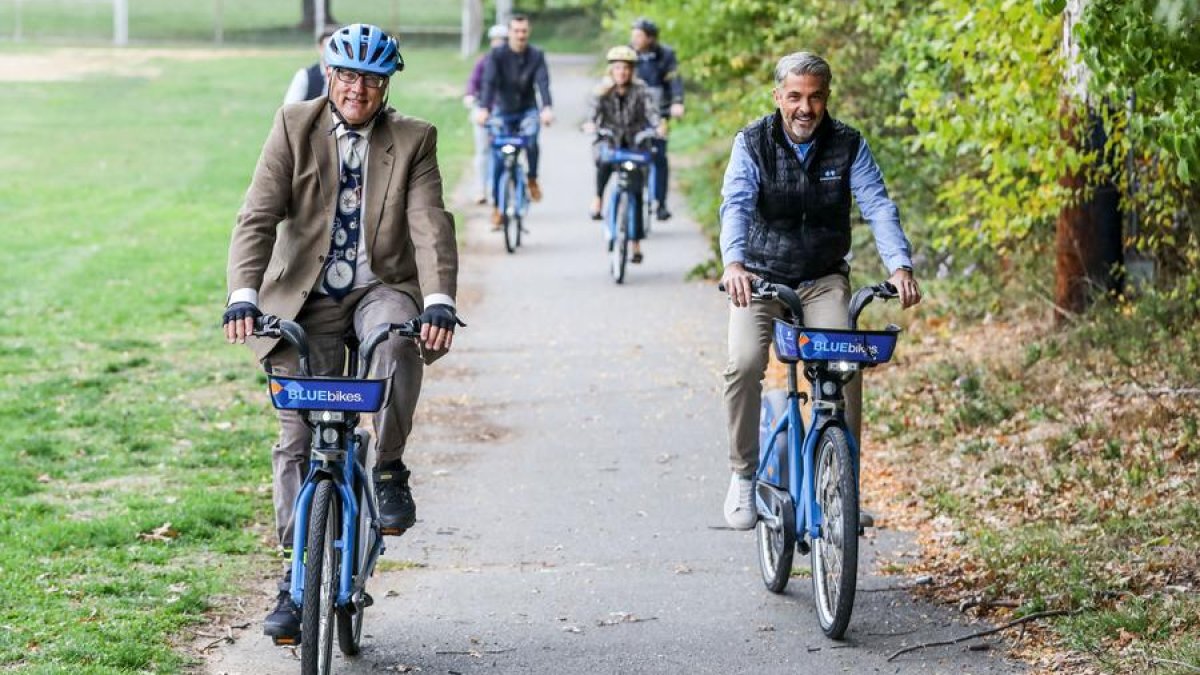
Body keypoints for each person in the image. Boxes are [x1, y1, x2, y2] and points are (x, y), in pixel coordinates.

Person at [222, 23, 461, 642]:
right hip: (305, 300)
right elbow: (257, 217)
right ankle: (294, 573)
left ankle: (387, 469)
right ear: (330, 76)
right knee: (297, 437)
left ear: (387, 84)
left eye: (373, 78)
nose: (359, 89)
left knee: (396, 337)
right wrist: (243, 296)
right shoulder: (292, 125)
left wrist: (436, 301)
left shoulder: (414, 139)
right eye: (348, 75)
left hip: (379, 286)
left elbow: (430, 223)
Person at [718, 52, 921, 530]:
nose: (804, 108)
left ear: (826, 98)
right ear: (778, 98)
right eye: (794, 97)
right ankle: (743, 475)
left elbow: (877, 205)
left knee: (844, 367)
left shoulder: (848, 143)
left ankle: (840, 489)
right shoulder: (752, 142)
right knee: (744, 362)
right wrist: (734, 264)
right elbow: (737, 206)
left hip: (822, 278)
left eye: (814, 97)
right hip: (762, 278)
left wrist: (900, 266)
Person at [582, 46, 661, 264]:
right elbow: (592, 113)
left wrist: (657, 126)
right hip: (610, 140)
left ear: (632, 70)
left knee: (635, 190)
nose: (622, 72)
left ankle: (635, 243)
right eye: (618, 68)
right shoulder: (602, 91)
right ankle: (598, 198)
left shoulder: (641, 90)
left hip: (635, 143)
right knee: (604, 159)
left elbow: (652, 113)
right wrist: (590, 124)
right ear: (611, 70)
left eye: (626, 68)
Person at [474, 13, 554, 227]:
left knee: (531, 139)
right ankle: (498, 208)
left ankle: (532, 178)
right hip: (502, 110)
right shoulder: (496, 55)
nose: (520, 35)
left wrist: (546, 107)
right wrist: (484, 109)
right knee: (498, 157)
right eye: (516, 31)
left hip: (527, 109)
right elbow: (488, 83)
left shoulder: (536, 55)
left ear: (529, 32)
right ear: (509, 32)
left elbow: (543, 82)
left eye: (524, 31)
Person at [630, 17, 684, 222]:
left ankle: (660, 203)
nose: (634, 39)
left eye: (638, 35)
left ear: (650, 38)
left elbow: (674, 80)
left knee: (659, 156)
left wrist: (677, 102)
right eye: (633, 35)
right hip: (633, 114)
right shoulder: (628, 54)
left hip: (660, 112)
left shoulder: (665, 55)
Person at [465, 24, 508, 205]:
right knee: (482, 150)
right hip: (483, 109)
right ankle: (480, 189)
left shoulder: (511, 64)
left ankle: (500, 188)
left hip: (505, 112)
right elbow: (473, 82)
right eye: (496, 40)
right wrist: (469, 96)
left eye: (503, 40)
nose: (499, 44)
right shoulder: (484, 61)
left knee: (503, 151)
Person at [283, 25, 338, 105]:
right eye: (327, 47)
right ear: (320, 48)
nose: (330, 52)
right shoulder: (304, 76)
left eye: (335, 48)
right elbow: (288, 109)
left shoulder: (350, 77)